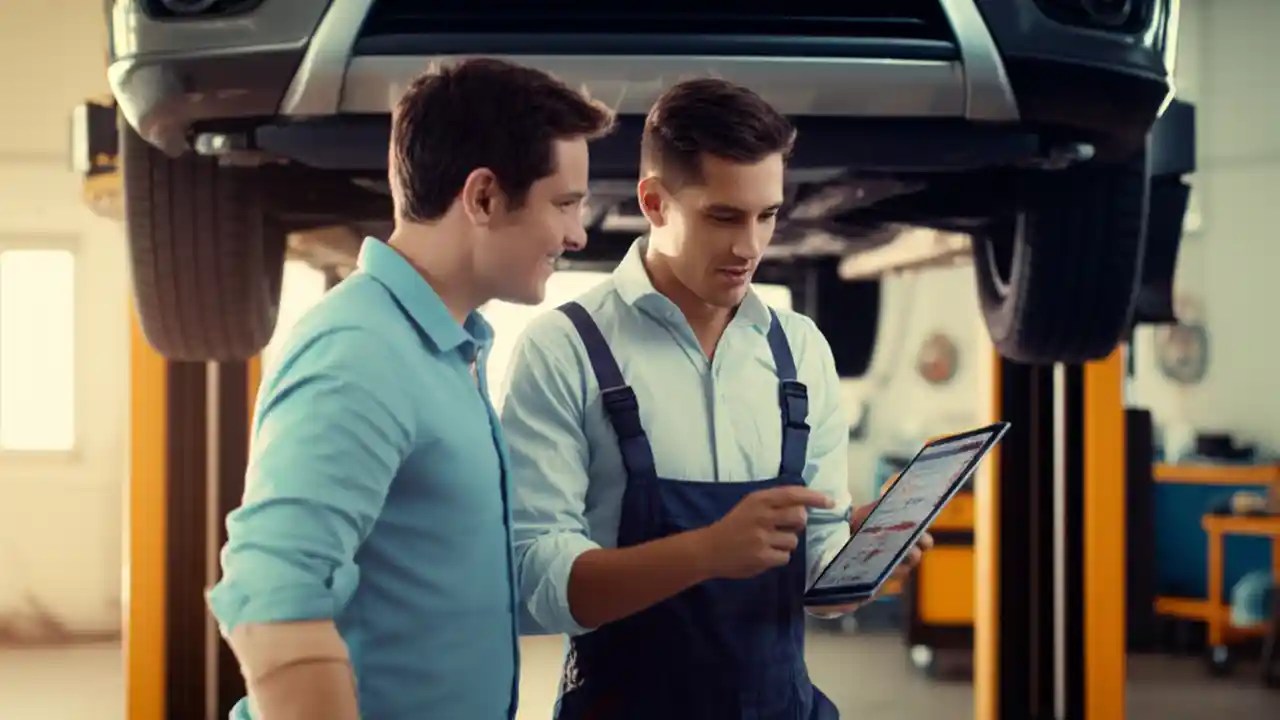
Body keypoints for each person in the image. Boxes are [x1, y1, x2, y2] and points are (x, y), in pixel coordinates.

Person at [499, 77, 931, 719]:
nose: (750, 247)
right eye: (723, 216)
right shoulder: (564, 350)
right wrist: (706, 552)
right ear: (654, 202)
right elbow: (535, 584)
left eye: (768, 215)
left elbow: (818, 586)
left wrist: (858, 560)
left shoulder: (801, 352)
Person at [205, 57, 615, 720]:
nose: (577, 232)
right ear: (482, 198)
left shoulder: (448, 347)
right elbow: (270, 593)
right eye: (564, 203)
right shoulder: (360, 350)